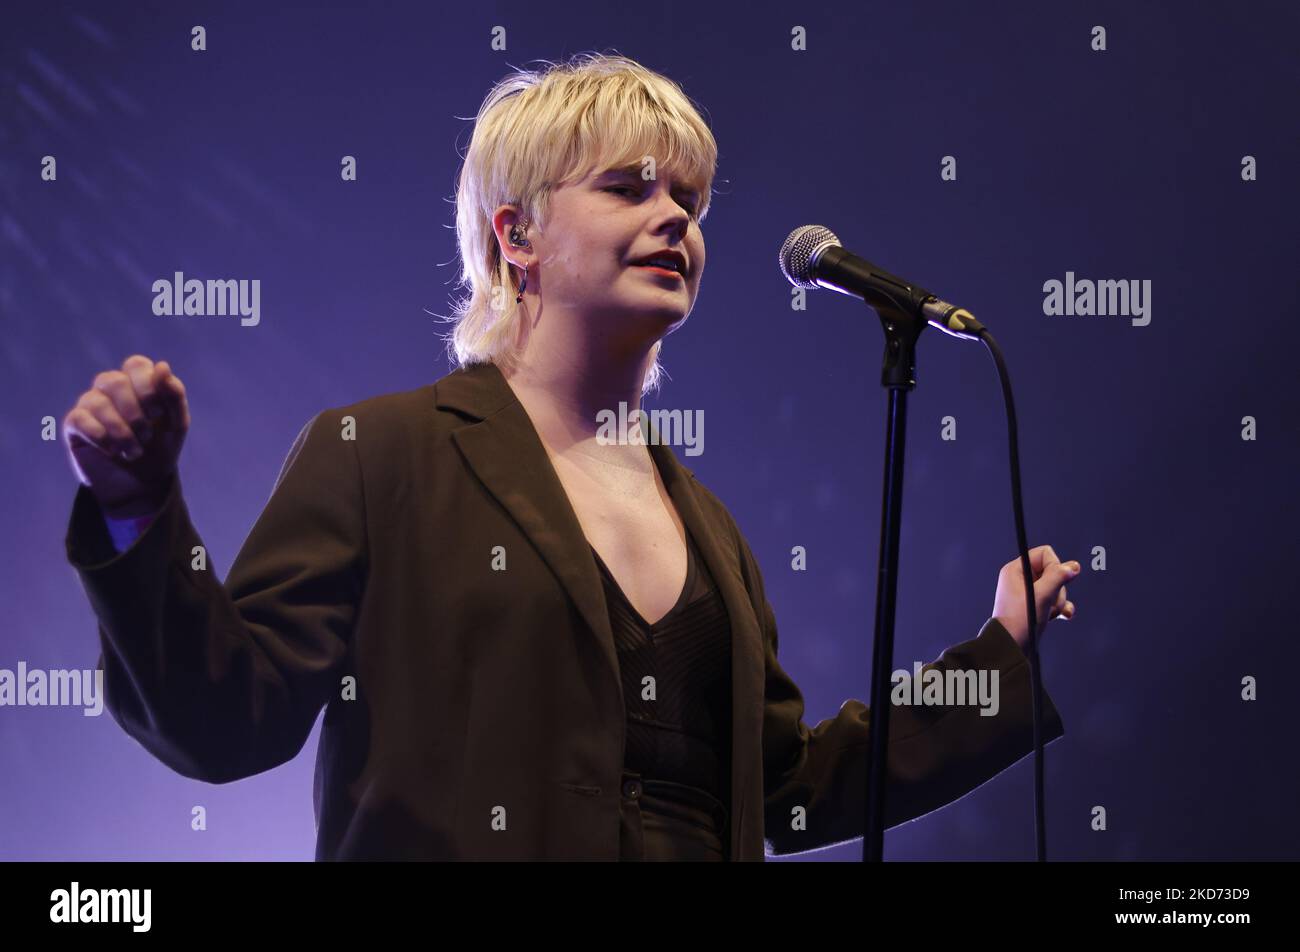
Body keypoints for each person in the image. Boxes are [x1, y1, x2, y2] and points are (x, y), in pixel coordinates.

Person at [61, 53, 1075, 861]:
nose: (675, 215)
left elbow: (787, 792)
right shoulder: (384, 456)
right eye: (629, 187)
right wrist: (137, 511)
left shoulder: (709, 530)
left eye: (690, 197)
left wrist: (992, 660)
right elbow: (225, 715)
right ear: (518, 233)